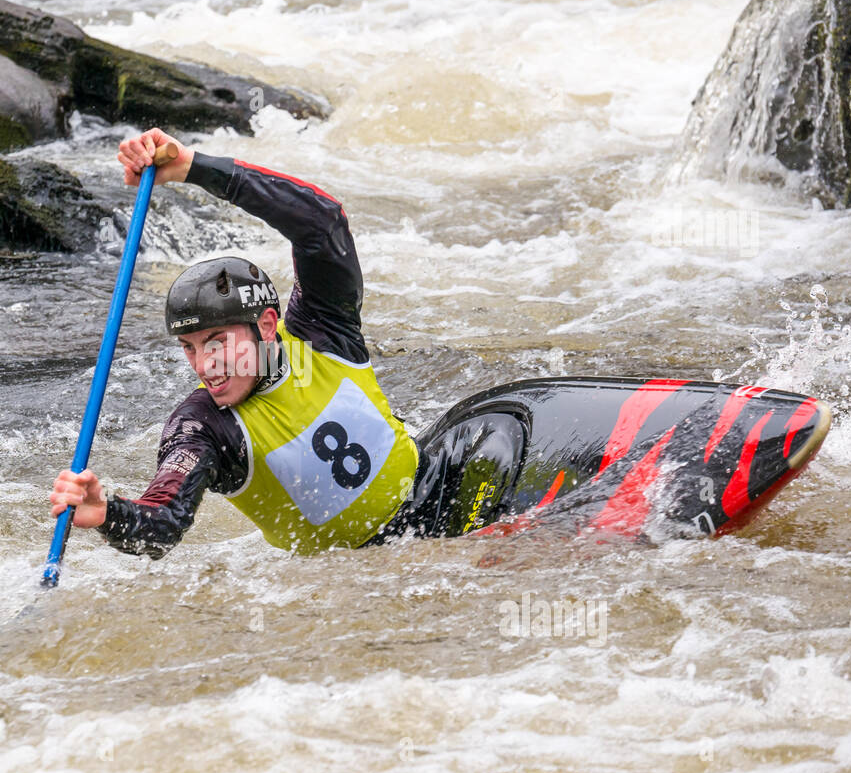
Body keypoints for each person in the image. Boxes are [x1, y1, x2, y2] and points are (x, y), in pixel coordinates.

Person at [48, 128, 525, 558]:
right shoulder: (205, 428)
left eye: (217, 341)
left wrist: (194, 167)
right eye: (190, 347)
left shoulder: (323, 330)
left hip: (446, 484)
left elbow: (322, 223)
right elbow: (163, 522)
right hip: (372, 563)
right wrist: (107, 512)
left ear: (268, 325)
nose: (205, 364)